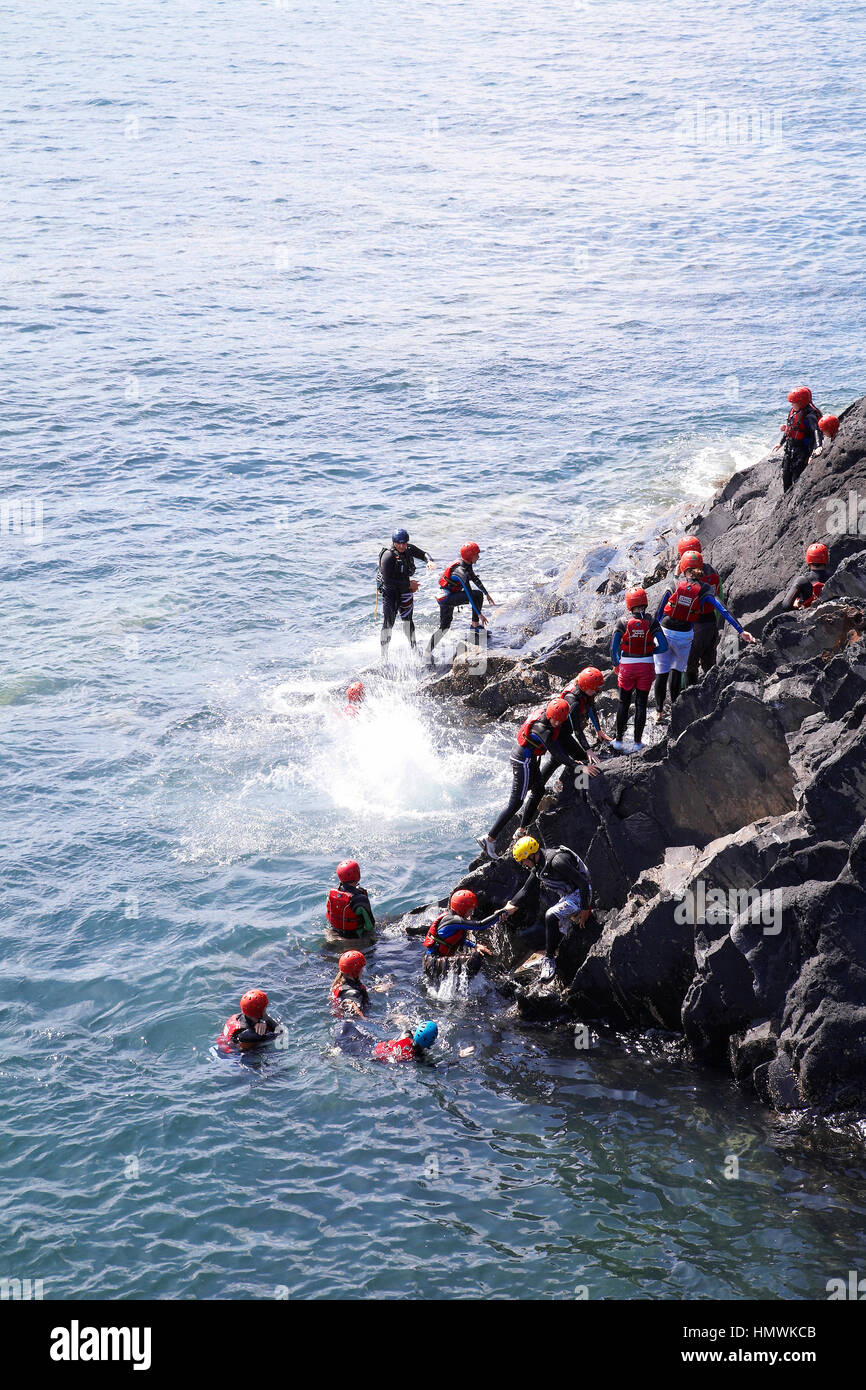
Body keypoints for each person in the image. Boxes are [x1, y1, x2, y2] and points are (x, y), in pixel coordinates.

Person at [477, 697, 599, 857]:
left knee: (538, 790)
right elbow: (558, 755)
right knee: (516, 802)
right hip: (523, 761)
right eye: (555, 720)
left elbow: (563, 742)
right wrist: (580, 767)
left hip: (530, 759)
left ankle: (521, 831)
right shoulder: (543, 729)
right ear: (549, 715)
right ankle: (489, 838)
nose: (557, 723)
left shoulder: (548, 718)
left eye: (560, 721)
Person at [654, 551, 755, 720]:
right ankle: (709, 697)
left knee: (676, 670)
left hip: (673, 631)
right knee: (702, 665)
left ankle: (674, 708)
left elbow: (659, 612)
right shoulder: (706, 588)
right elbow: (722, 609)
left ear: (683, 567)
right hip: (701, 630)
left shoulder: (675, 584)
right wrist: (741, 631)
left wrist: (655, 633)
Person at [502, 837, 593, 982]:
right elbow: (526, 890)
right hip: (569, 896)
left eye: (524, 860)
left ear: (532, 855)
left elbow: (583, 883)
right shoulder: (539, 866)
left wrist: (585, 908)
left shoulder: (557, 861)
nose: (524, 864)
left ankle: (549, 959)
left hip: (582, 893)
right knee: (557, 926)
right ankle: (553, 953)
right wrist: (509, 907)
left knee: (551, 915)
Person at [610, 588, 668, 749]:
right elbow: (663, 646)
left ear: (629, 604)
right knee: (641, 704)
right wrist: (650, 652)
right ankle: (637, 743)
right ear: (645, 602)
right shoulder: (652, 621)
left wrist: (616, 665)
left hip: (627, 667)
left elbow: (613, 649)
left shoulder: (622, 622)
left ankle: (618, 741)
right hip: (646, 667)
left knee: (623, 703)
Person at [428, 542, 495, 660]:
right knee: (476, 596)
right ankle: (474, 627)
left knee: (444, 627)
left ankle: (428, 651)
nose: (478, 557)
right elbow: (469, 595)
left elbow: (475, 579)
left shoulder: (467, 564)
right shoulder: (461, 571)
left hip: (450, 595)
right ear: (470, 556)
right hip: (446, 598)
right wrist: (479, 614)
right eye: (476, 554)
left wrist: (487, 593)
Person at [423, 888, 503, 981]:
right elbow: (481, 925)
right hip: (434, 964)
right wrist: (501, 913)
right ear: (462, 909)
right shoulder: (452, 920)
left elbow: (457, 939)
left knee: (478, 955)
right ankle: (463, 989)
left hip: (432, 963)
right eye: (469, 911)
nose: (471, 914)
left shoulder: (452, 918)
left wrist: (475, 945)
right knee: (476, 958)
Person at [377, 528, 433, 658]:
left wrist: (429, 561)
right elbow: (388, 580)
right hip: (390, 594)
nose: (402, 546)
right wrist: (409, 584)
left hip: (405, 591)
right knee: (388, 624)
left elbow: (423, 554)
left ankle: (414, 648)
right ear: (394, 542)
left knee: (408, 621)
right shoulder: (388, 556)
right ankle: (384, 656)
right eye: (399, 543)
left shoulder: (408, 549)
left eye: (404, 543)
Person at [777, 387, 823, 493]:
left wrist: (818, 446)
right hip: (790, 449)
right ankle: (786, 498)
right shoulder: (795, 411)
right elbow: (790, 429)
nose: (791, 405)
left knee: (797, 476)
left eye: (794, 403)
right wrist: (780, 443)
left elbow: (816, 431)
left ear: (801, 402)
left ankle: (796, 497)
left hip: (802, 450)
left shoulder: (809, 416)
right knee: (786, 475)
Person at [332, 1018, 438, 1062]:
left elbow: (406, 1030)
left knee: (347, 1026)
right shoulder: (419, 1058)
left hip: (370, 1045)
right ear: (431, 1042)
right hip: (369, 1056)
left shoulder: (407, 1036)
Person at [325, 860, 376, 939]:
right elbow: (370, 927)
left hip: (333, 934)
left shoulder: (332, 894)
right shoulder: (360, 899)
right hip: (355, 937)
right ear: (357, 874)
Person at [783, 543, 830, 611]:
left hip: (808, 616)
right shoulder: (834, 578)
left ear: (808, 559)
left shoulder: (802, 580)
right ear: (826, 558)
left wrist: (797, 607)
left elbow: (786, 605)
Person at [373, 1021, 439, 1062]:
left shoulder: (407, 1036)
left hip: (378, 1047)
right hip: (384, 1061)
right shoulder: (421, 1057)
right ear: (431, 1043)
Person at [330, 951, 369, 1017]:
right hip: (353, 1024)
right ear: (356, 971)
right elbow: (351, 1003)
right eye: (361, 969)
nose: (362, 971)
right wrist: (366, 1020)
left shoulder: (338, 985)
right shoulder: (353, 993)